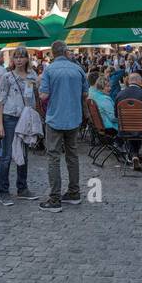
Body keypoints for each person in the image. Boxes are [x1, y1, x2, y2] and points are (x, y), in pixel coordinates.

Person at [37, 41, 89, 213]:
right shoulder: (78, 69)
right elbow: (85, 93)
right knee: (72, 156)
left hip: (55, 118)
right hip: (74, 117)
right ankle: (74, 193)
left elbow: (44, 96)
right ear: (66, 52)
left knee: (53, 157)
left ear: (52, 53)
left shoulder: (49, 70)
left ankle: (55, 199)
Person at [0, 45, 41, 206]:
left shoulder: (32, 75)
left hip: (25, 118)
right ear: (13, 60)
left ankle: (22, 188)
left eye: (22, 56)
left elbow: (35, 97)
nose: (19, 59)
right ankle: (4, 191)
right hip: (9, 118)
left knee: (24, 155)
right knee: (7, 156)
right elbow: (0, 101)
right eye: (16, 57)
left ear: (27, 58)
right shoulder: (7, 77)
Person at [114, 71, 142, 171]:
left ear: (128, 81)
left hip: (125, 129)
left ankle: (134, 155)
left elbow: (116, 115)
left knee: (132, 129)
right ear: (140, 82)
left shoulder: (120, 94)